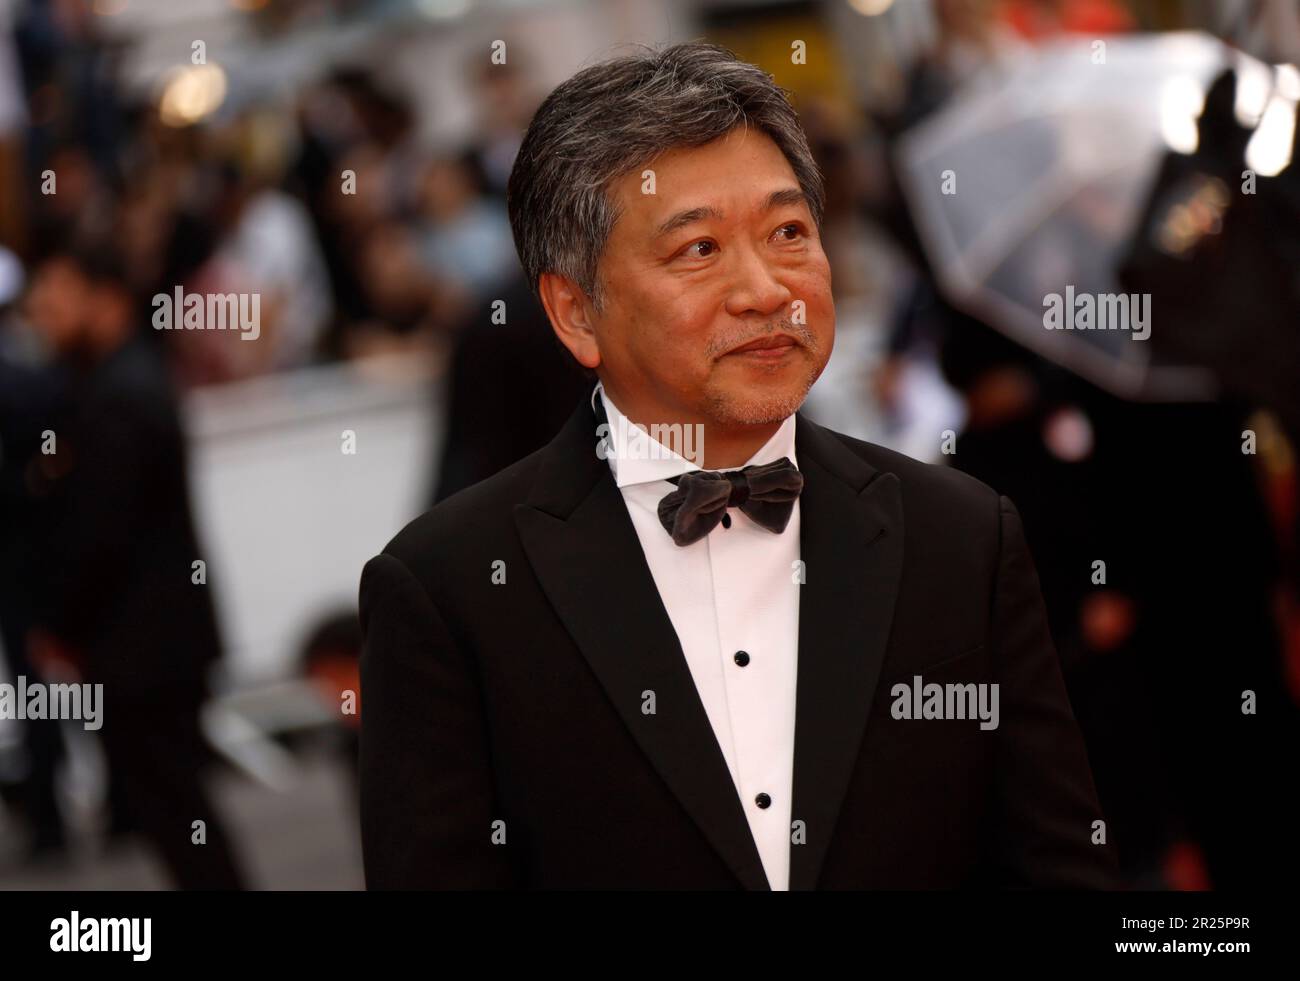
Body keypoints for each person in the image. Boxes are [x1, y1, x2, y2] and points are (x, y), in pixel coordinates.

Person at [358, 42, 1116, 890]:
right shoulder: (450, 591)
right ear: (576, 312)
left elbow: (1059, 869)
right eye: (699, 249)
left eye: (789, 232)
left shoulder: (962, 539)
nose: (766, 288)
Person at [25, 247, 245, 889]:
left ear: (106, 300)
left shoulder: (120, 394)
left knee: (180, 813)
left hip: (145, 648)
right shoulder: (115, 383)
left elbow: (100, 536)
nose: (43, 314)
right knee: (177, 814)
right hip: (147, 642)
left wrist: (58, 623)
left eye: (57, 298)